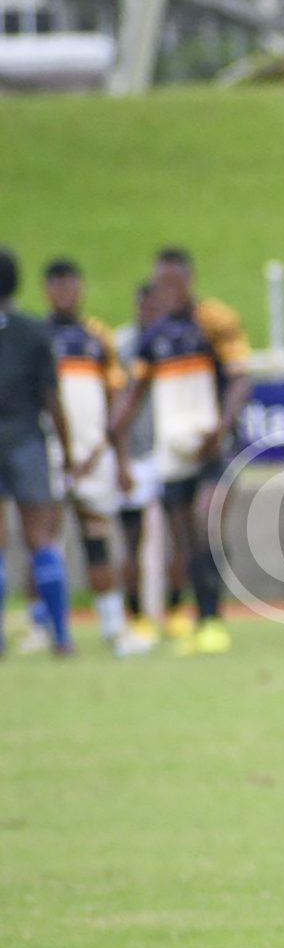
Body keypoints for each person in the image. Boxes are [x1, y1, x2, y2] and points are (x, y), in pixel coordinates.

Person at [106, 247, 252, 655]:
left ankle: (212, 621)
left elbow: (241, 380)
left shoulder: (214, 320)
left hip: (212, 446)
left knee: (207, 522)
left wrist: (220, 429)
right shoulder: (153, 337)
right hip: (172, 453)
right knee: (184, 541)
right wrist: (115, 445)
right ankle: (196, 616)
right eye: (161, 284)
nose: (168, 291)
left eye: (175, 282)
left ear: (190, 280)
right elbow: (132, 394)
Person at [41, 259, 131, 656]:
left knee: (97, 540)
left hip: (92, 456)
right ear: (46, 290)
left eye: (71, 285)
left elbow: (115, 398)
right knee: (44, 540)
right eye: (57, 286)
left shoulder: (98, 339)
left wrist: (110, 451)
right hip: (48, 454)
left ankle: (113, 627)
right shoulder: (37, 337)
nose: (65, 293)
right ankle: (41, 625)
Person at [0, 248, 74, 659]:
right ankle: (60, 636)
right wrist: (66, 448)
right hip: (28, 441)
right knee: (41, 539)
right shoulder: (33, 333)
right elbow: (52, 398)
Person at [110, 280, 168, 655]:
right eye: (143, 306)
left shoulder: (176, 341)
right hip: (135, 453)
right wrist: (121, 457)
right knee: (133, 538)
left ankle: (178, 607)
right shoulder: (122, 346)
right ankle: (134, 614)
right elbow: (116, 402)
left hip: (171, 450)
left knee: (182, 535)